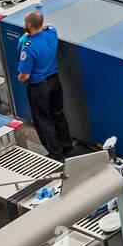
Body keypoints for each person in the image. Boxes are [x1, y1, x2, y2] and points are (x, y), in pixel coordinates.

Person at [16, 11, 72, 161]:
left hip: (39, 88)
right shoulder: (51, 32)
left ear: (28, 25)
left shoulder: (28, 47)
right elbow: (46, 25)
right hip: (55, 81)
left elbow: (25, 75)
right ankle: (67, 146)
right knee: (58, 114)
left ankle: (56, 153)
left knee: (44, 121)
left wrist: (20, 78)